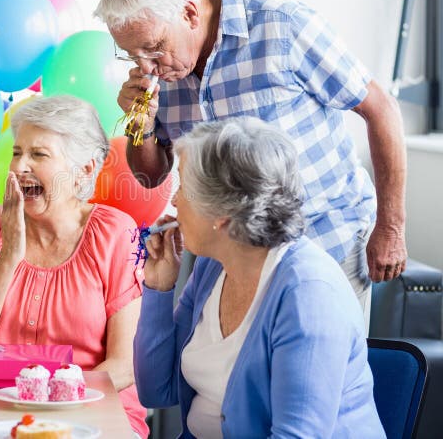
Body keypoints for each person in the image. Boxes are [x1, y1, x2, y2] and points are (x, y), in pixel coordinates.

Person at [94, 0, 407, 317]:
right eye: (133, 56)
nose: (147, 67)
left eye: (153, 48)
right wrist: (141, 128)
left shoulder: (282, 25)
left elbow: (381, 109)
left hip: (325, 240)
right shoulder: (160, 72)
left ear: (190, 13)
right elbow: (151, 176)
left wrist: (391, 227)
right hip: (231, 260)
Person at [136, 116, 384, 438]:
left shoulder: (309, 295)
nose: (174, 200)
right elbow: (157, 390)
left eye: (183, 186)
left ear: (222, 211)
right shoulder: (213, 267)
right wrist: (159, 287)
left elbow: (296, 435)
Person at [0, 95, 148, 438]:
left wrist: (48, 405)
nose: (18, 167)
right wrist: (11, 252)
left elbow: (124, 364)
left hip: (96, 412)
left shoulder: (116, 233)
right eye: (16, 153)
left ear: (84, 170)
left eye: (38, 154)